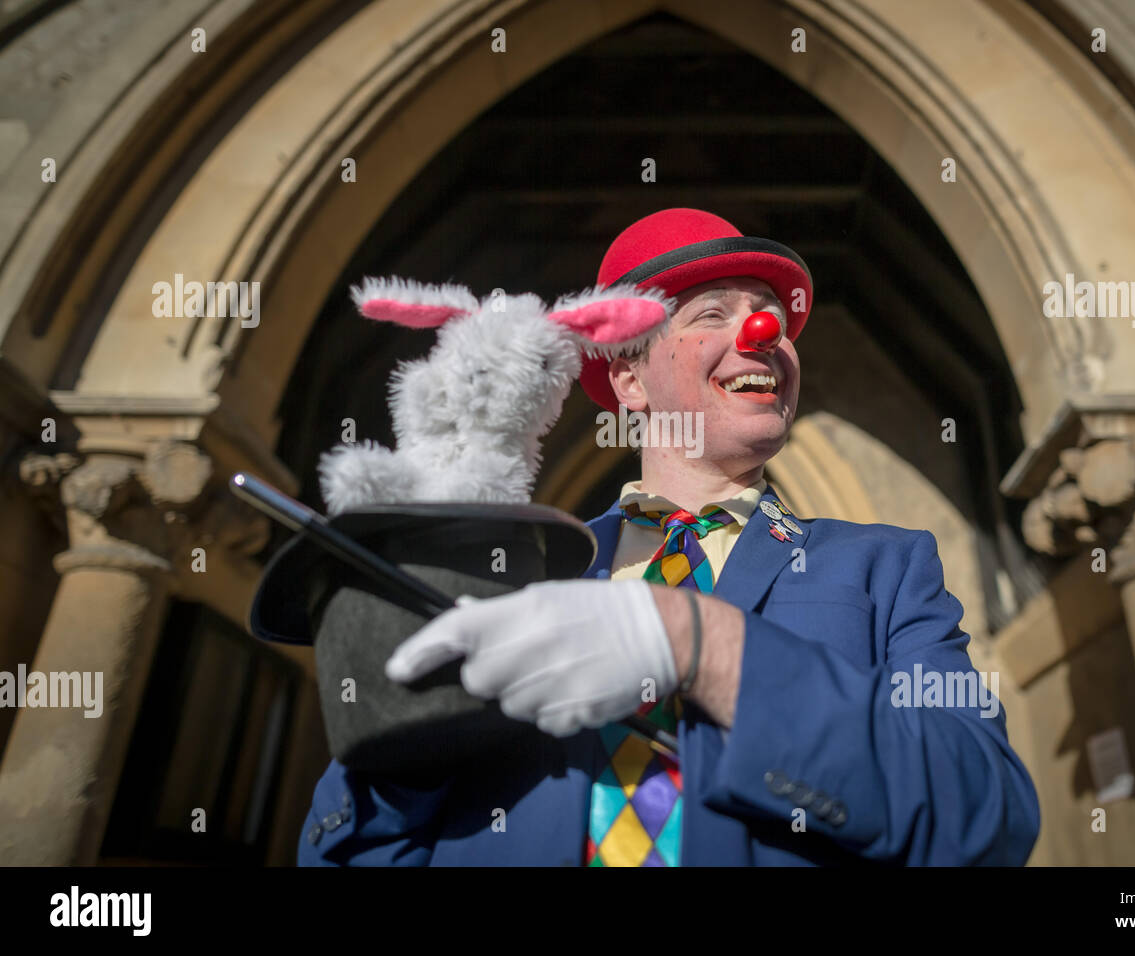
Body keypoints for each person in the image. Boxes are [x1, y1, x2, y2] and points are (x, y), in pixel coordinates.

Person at [298, 207, 1040, 866]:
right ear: (627, 377)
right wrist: (408, 732)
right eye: (711, 314)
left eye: (772, 314)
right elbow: (349, 844)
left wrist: (700, 643)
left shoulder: (885, 569)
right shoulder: (518, 571)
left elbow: (988, 812)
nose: (765, 333)